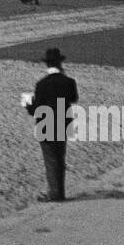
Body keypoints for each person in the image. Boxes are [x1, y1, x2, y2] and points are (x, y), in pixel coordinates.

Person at [24, 48, 78, 202]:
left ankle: (55, 193)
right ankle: (58, 191)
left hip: (46, 124)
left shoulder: (42, 84)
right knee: (60, 158)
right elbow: (73, 98)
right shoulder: (68, 81)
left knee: (50, 160)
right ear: (60, 63)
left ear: (47, 65)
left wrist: (28, 105)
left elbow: (36, 108)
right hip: (63, 123)